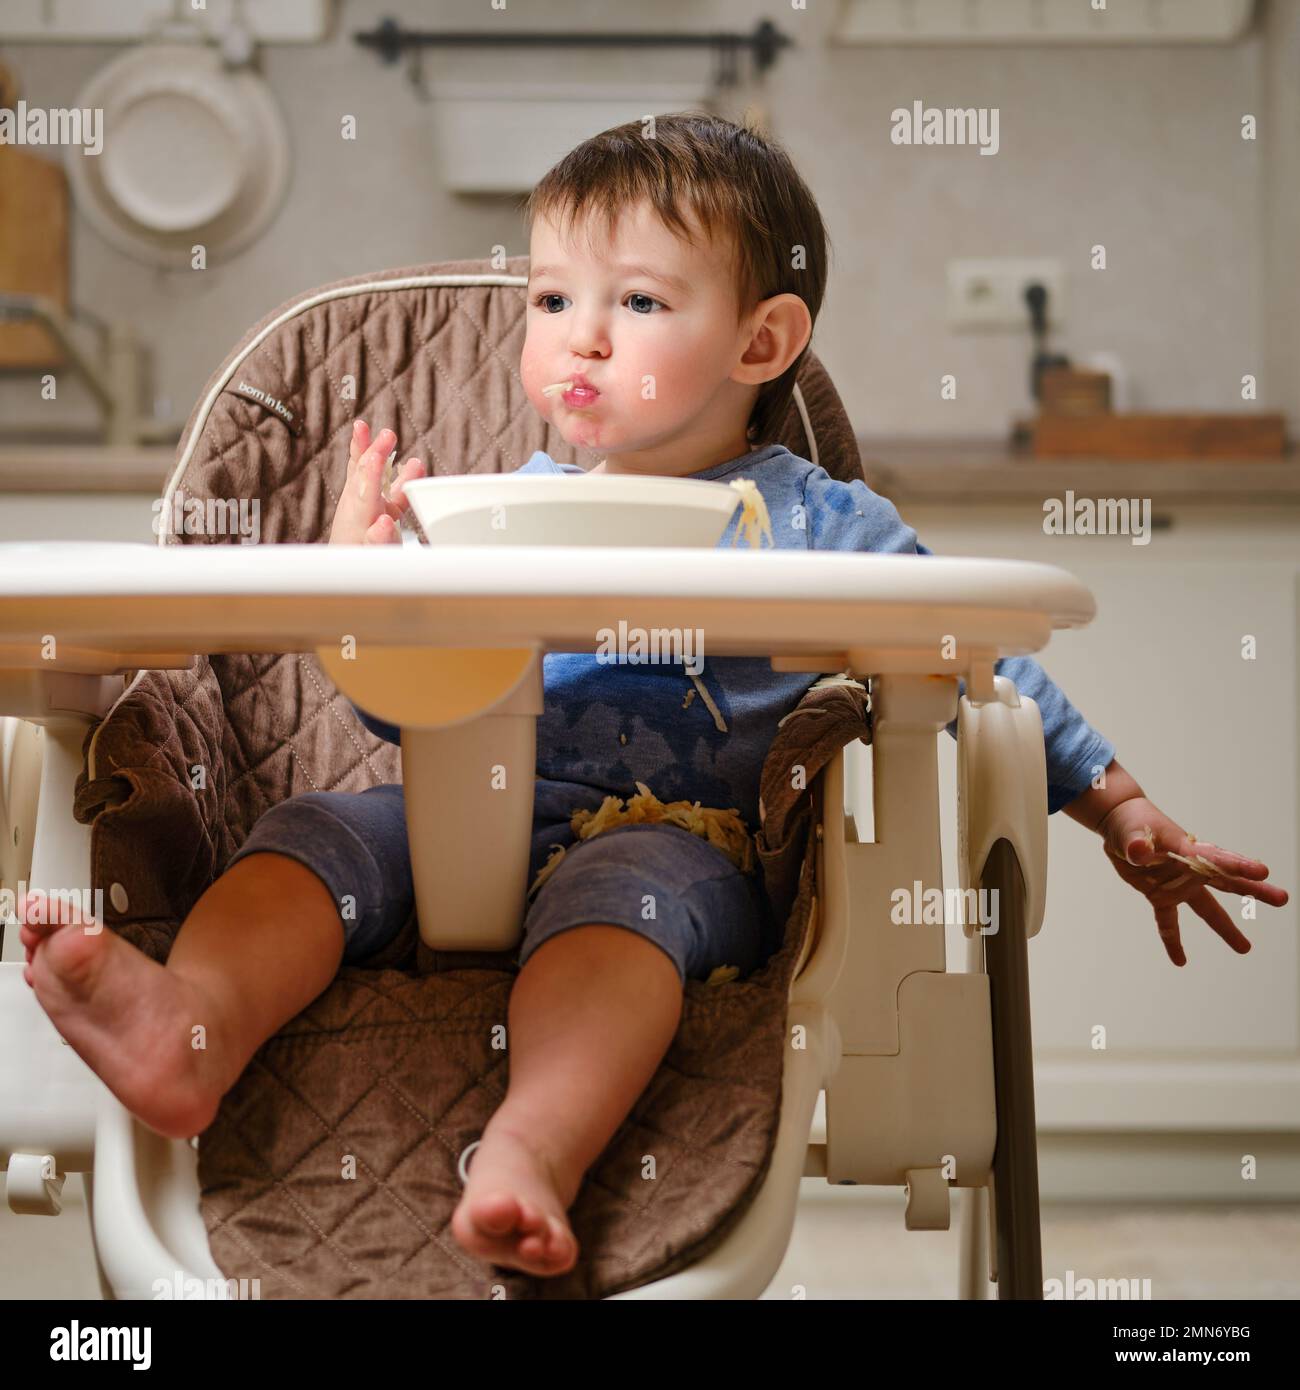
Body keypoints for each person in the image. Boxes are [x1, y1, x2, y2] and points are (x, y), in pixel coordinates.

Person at [19, 113, 1288, 1281]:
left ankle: (527, 1153)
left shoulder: (819, 521)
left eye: (634, 300)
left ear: (760, 341)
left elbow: (982, 660)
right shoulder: (483, 509)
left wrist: (1119, 808)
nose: (579, 334)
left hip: (681, 847)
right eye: (552, 297)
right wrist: (362, 592)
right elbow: (400, 717)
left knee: (612, 915)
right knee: (305, 841)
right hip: (463, 812)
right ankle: (188, 1032)